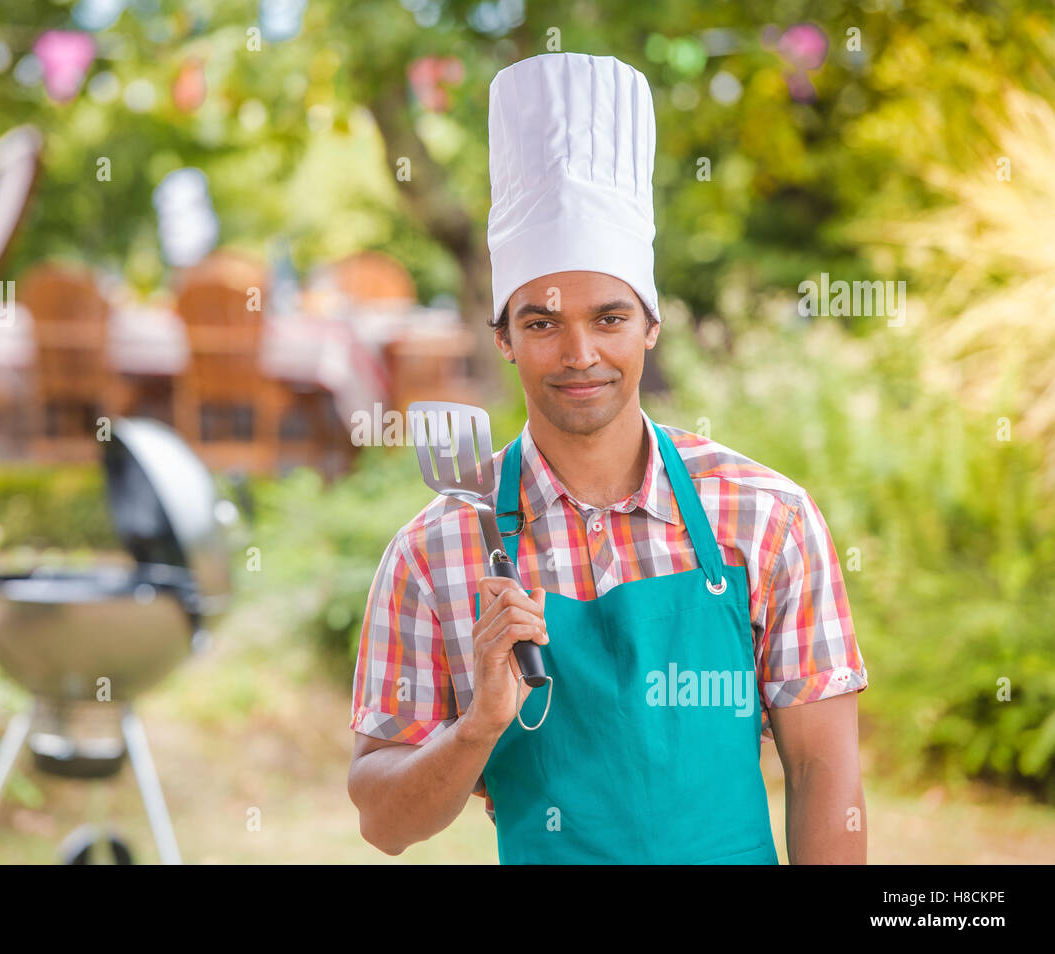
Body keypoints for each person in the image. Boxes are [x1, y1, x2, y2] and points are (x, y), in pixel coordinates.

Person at [347, 52, 868, 864]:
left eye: (611, 318)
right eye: (544, 322)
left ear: (651, 325)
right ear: (504, 337)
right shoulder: (435, 551)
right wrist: (478, 722)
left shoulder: (767, 518)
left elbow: (823, 766)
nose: (580, 353)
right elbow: (383, 820)